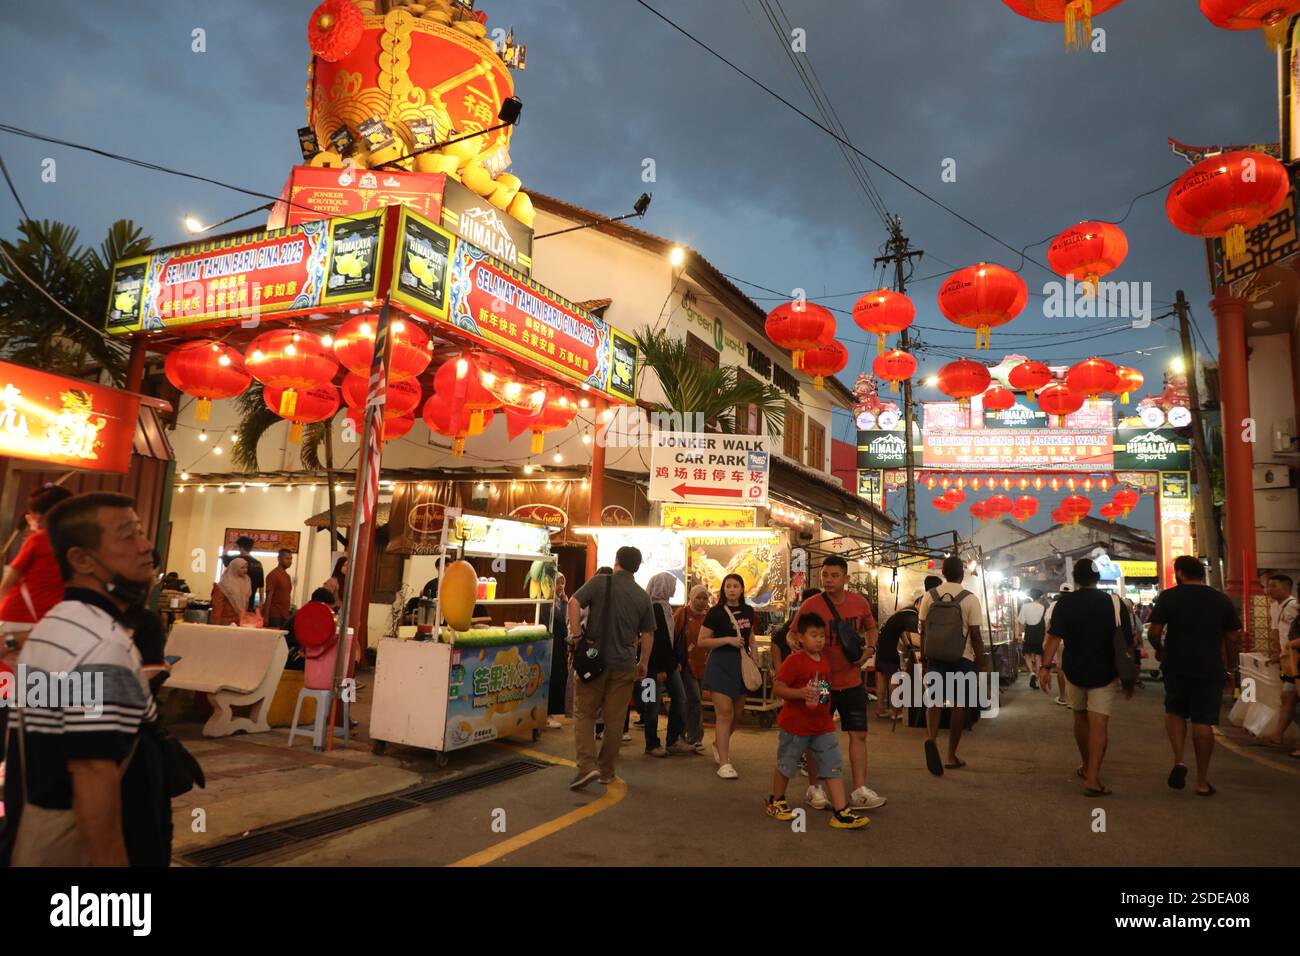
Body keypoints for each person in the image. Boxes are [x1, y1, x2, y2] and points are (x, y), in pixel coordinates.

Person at [4, 492, 171, 866]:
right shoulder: (100, 646)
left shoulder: (56, 627)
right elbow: (92, 771)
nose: (146, 546)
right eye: (127, 535)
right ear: (81, 559)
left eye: (141, 532)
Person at [792, 557, 886, 810]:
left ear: (846, 578)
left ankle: (859, 789)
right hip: (821, 683)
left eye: (834, 575)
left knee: (859, 734)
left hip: (852, 681)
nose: (828, 580)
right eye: (825, 575)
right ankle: (815, 788)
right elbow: (792, 633)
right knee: (816, 736)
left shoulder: (859, 603)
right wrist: (798, 645)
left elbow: (871, 627)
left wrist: (870, 648)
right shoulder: (812, 605)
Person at [1147, 556, 1243, 795]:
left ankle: (1179, 761)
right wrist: (1231, 667)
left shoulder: (1169, 597)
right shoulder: (1221, 599)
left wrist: (1160, 650)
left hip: (1176, 665)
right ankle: (1201, 781)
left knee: (1175, 712)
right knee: (1203, 722)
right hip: (1209, 668)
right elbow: (1232, 638)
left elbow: (1154, 632)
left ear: (1180, 573)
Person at [765, 613, 870, 830]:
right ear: (800, 638)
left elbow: (823, 687)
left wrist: (822, 699)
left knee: (833, 766)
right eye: (814, 635)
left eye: (822, 635)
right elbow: (778, 687)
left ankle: (840, 811)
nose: (819, 640)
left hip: (822, 724)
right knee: (786, 764)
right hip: (795, 726)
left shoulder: (824, 660)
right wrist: (801, 693)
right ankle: (776, 801)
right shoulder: (794, 661)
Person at [1039, 559, 1134, 796]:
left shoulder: (1065, 604)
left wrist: (1044, 668)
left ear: (1075, 578)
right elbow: (1128, 642)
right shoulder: (1114, 602)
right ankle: (1092, 778)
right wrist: (1129, 675)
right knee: (1099, 725)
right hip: (1105, 672)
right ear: (1098, 578)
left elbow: (1053, 639)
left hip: (1074, 670)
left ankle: (1085, 764)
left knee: (1080, 720)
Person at [566, 548, 654, 790]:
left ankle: (587, 766)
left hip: (594, 661)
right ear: (637, 567)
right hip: (625, 664)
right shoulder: (641, 595)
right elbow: (648, 634)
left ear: (616, 561)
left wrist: (576, 636)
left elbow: (573, 602)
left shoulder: (601, 582)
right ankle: (606, 771)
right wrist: (643, 662)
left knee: (585, 713)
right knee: (615, 720)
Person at [918, 557, 986, 776]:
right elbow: (975, 636)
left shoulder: (930, 596)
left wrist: (925, 659)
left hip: (936, 656)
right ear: (962, 574)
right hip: (962, 659)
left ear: (943, 572)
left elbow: (922, 630)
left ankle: (931, 739)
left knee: (934, 701)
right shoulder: (970, 599)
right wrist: (982, 665)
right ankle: (950, 755)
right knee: (959, 705)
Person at [0, 484, 75, 656]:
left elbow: (8, 582)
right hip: (50, 622)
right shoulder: (78, 545)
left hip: (17, 617)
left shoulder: (39, 539)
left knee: (10, 675)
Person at [698, 574, 760, 779]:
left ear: (742, 589)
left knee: (737, 714)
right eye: (728, 586)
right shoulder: (715, 613)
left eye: (735, 586)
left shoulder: (749, 611)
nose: (731, 590)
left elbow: (750, 635)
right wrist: (727, 640)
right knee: (724, 713)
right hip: (720, 665)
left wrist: (755, 654)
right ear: (723, 590)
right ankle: (724, 763)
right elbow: (702, 641)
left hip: (741, 666)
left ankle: (718, 743)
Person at [877, 576, 942, 718]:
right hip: (887, 646)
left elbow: (901, 632)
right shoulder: (911, 615)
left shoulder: (905, 612)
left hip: (883, 644)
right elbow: (918, 634)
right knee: (893, 678)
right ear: (918, 603)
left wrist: (908, 646)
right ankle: (895, 712)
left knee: (882, 676)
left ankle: (881, 709)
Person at [641, 572, 691, 757]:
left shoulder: (665, 607)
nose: (675, 587)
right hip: (653, 666)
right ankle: (651, 744)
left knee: (680, 698)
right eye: (671, 584)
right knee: (651, 705)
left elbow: (671, 640)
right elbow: (656, 640)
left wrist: (675, 661)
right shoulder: (654, 609)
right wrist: (661, 667)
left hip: (668, 665)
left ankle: (673, 740)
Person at [673, 584, 712, 753]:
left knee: (695, 701)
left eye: (705, 598)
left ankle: (692, 737)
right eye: (698, 597)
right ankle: (692, 737)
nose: (702, 601)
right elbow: (674, 635)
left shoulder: (710, 616)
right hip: (687, 663)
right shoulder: (683, 613)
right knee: (693, 699)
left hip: (706, 662)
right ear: (691, 597)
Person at [1265, 574, 1299, 748]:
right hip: (1289, 660)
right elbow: (1277, 632)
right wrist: (1277, 653)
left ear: (1287, 588)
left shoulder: (1294, 606)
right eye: (1268, 586)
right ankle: (1277, 736)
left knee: (1288, 696)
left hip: (1296, 658)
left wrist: (1290, 647)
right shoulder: (1274, 607)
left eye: (1274, 586)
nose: (1269, 590)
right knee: (1288, 697)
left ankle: (1278, 736)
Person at [546, 572, 568, 730]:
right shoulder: (548, 601)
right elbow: (560, 618)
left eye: (562, 583)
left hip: (559, 643)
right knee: (552, 676)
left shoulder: (559, 600)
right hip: (551, 644)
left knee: (558, 676)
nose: (560, 586)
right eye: (557, 583)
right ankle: (547, 714)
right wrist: (566, 603)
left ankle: (550, 713)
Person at [1044, 585, 1072, 706]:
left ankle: (1062, 697)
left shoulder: (1054, 605)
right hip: (1073, 642)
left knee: (1061, 669)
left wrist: (1046, 641)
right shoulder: (1077, 604)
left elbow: (1050, 625)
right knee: (1072, 668)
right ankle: (1073, 700)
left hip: (1059, 642)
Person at [221, 536, 264, 611]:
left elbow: (224, 558)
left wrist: (228, 548)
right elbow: (261, 585)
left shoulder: (235, 560)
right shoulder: (257, 564)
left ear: (241, 548)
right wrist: (261, 602)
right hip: (250, 602)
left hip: (233, 601)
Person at [1017, 589, 1048, 689]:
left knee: (1027, 654)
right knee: (1038, 656)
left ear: (1031, 597)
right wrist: (1045, 639)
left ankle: (1032, 673)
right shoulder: (1044, 607)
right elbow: (1047, 624)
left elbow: (1021, 623)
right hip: (1040, 633)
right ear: (1040, 597)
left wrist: (1019, 635)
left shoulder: (1025, 606)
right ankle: (1037, 679)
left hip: (1029, 632)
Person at [210, 557, 250, 626]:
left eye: (246, 567)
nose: (245, 570)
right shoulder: (223, 584)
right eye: (242, 568)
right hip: (225, 621)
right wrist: (216, 624)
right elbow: (217, 605)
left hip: (239, 620)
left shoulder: (246, 581)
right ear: (235, 568)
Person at [264, 548, 294, 629]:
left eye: (291, 558)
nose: (290, 561)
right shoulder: (273, 575)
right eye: (287, 558)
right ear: (279, 559)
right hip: (274, 615)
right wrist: (266, 617)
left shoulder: (287, 576)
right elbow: (269, 596)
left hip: (285, 615)